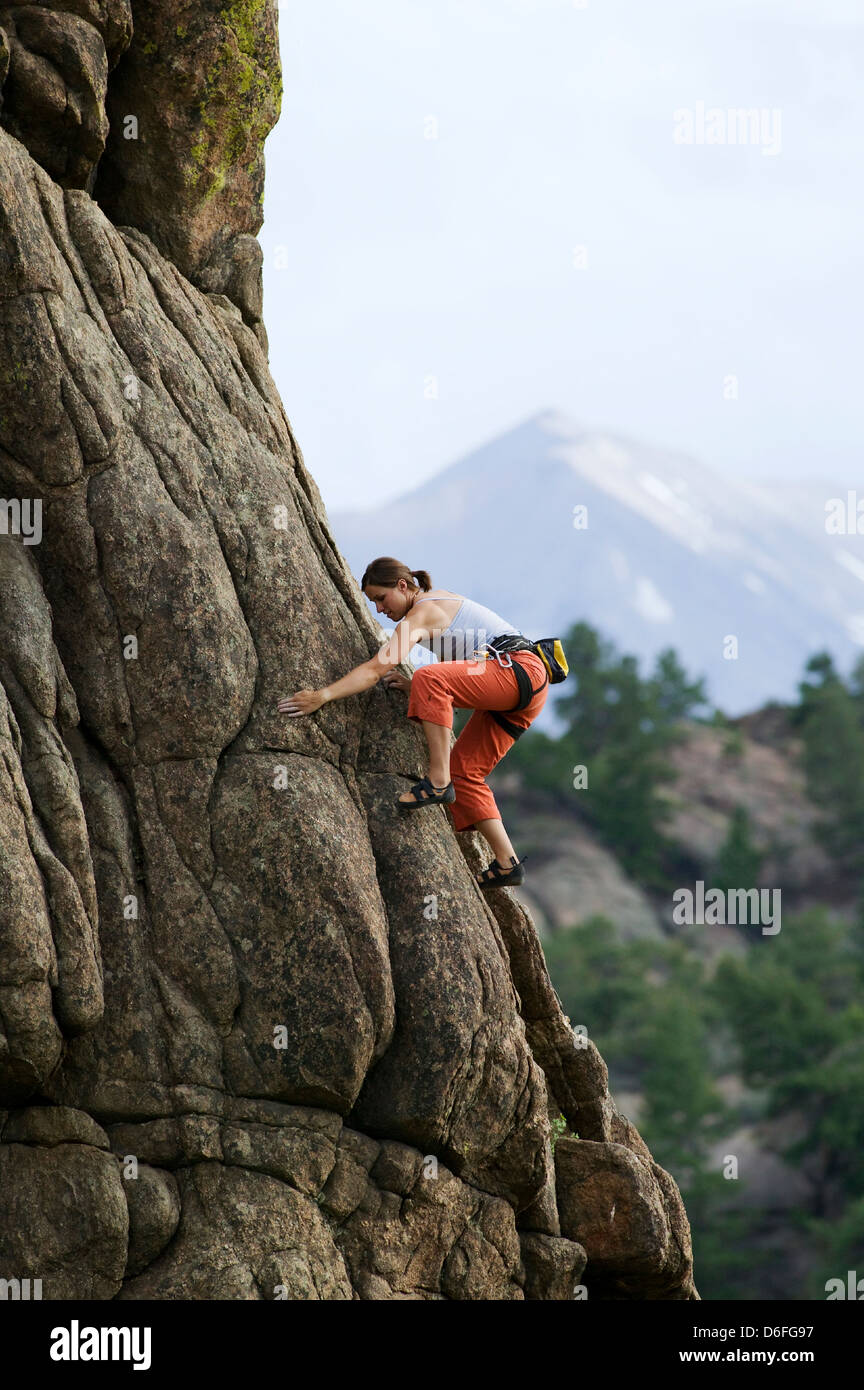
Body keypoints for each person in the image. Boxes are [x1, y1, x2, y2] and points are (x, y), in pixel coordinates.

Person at [277, 556, 549, 890]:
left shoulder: (422, 611)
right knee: (464, 774)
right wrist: (416, 687)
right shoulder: (435, 604)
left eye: (381, 598)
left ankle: (437, 780)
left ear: (403, 586)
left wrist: (323, 695)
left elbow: (376, 669)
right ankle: (508, 863)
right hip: (524, 686)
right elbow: (466, 668)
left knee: (429, 679)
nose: (379, 609)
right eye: (373, 602)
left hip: (517, 670)